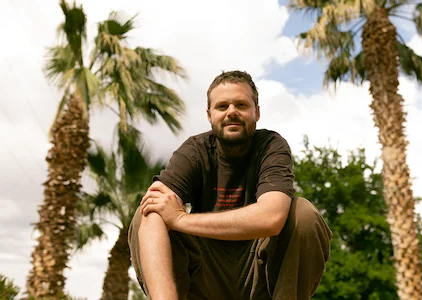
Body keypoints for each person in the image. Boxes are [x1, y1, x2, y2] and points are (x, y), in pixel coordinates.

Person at [128, 70, 332, 300]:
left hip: (258, 275)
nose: (231, 112)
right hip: (205, 275)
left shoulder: (271, 146)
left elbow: (272, 218)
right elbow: (153, 207)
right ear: (209, 115)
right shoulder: (195, 150)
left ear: (257, 112)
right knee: (148, 213)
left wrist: (180, 219)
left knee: (304, 213)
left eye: (241, 105)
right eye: (222, 106)